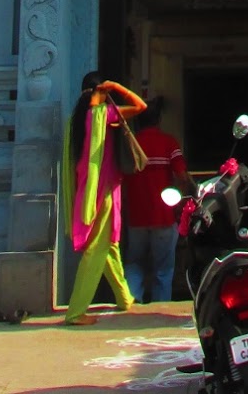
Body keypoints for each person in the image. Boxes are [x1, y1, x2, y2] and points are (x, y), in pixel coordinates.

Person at [61, 72, 147, 322]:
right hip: (103, 192)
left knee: (109, 246)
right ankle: (76, 311)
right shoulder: (103, 116)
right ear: (101, 91)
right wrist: (118, 86)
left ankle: (124, 297)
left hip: (86, 190)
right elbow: (140, 106)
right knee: (97, 250)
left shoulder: (75, 120)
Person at [121, 97, 193, 303]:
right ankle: (161, 310)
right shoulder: (169, 143)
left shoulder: (130, 146)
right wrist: (180, 203)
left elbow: (121, 180)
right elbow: (181, 176)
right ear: (158, 120)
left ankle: (132, 302)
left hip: (136, 217)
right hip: (163, 217)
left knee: (134, 263)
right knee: (163, 270)